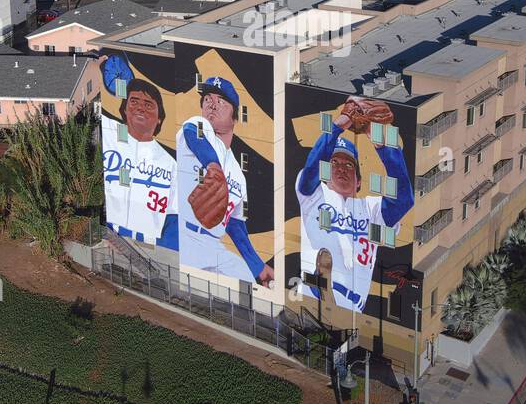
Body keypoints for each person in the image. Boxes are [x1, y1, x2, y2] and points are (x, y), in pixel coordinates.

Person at [295, 96, 414, 311]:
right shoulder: (315, 196)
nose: (341, 168)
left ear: (359, 181)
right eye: (334, 162)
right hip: (314, 293)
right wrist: (337, 126)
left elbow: (405, 198)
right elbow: (311, 170)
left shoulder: (370, 208)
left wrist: (378, 140)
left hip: (354, 306)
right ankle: (324, 289)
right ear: (326, 172)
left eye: (349, 165)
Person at [172, 76, 273, 287]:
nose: (212, 104)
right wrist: (213, 166)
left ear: (234, 118)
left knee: (250, 284)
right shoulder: (198, 127)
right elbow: (194, 136)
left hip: (212, 244)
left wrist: (257, 266)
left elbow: (235, 225)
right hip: (185, 236)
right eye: (207, 99)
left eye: (221, 101)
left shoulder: (238, 174)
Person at [98, 54, 175, 246]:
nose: (140, 108)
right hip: (113, 231)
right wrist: (101, 66)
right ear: (124, 110)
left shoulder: (170, 162)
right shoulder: (112, 134)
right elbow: (116, 86)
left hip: (151, 243)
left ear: (159, 118)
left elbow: (175, 215)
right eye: (134, 102)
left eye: (148, 105)